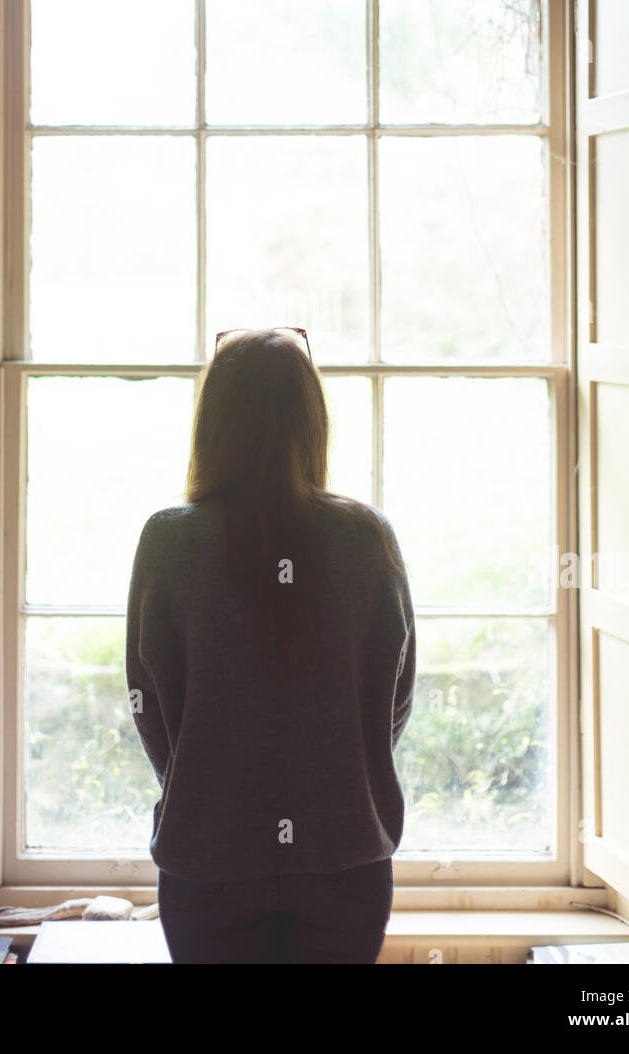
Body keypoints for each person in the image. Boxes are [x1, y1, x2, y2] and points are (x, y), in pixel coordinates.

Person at [125, 326, 416, 964]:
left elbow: (148, 702)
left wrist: (205, 780)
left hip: (209, 854)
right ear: (312, 423)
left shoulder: (170, 540)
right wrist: (337, 770)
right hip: (344, 855)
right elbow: (395, 695)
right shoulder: (367, 538)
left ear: (212, 424)